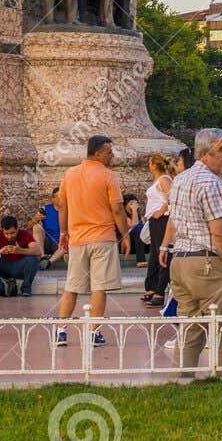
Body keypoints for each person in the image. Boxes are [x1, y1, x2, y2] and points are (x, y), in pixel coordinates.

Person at [159, 128, 222, 375]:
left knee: (191, 326)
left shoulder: (181, 179)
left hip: (181, 262)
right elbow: (220, 232)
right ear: (204, 154)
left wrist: (165, 245)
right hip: (206, 262)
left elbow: (173, 219)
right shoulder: (212, 183)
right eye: (221, 150)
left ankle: (181, 378)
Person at [53, 135, 129, 348]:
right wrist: (125, 235)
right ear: (97, 153)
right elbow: (117, 209)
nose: (111, 155)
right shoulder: (108, 176)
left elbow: (62, 206)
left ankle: (61, 330)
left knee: (72, 286)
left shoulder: (70, 174)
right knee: (99, 287)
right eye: (108, 152)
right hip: (103, 237)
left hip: (77, 238)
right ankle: (94, 332)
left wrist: (63, 232)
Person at [139, 154, 174, 307]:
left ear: (154, 165)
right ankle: (152, 287)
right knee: (154, 254)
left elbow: (173, 197)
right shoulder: (158, 180)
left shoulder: (164, 179)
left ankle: (160, 291)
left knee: (162, 252)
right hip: (154, 220)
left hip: (162, 219)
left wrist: (161, 210)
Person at [0, 214, 41, 297]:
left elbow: (38, 251)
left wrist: (20, 251)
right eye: (6, 233)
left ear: (17, 229)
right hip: (5, 267)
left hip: (20, 268)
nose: (9, 236)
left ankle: (26, 288)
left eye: (12, 233)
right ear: (2, 230)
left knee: (33, 259)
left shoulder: (24, 234)